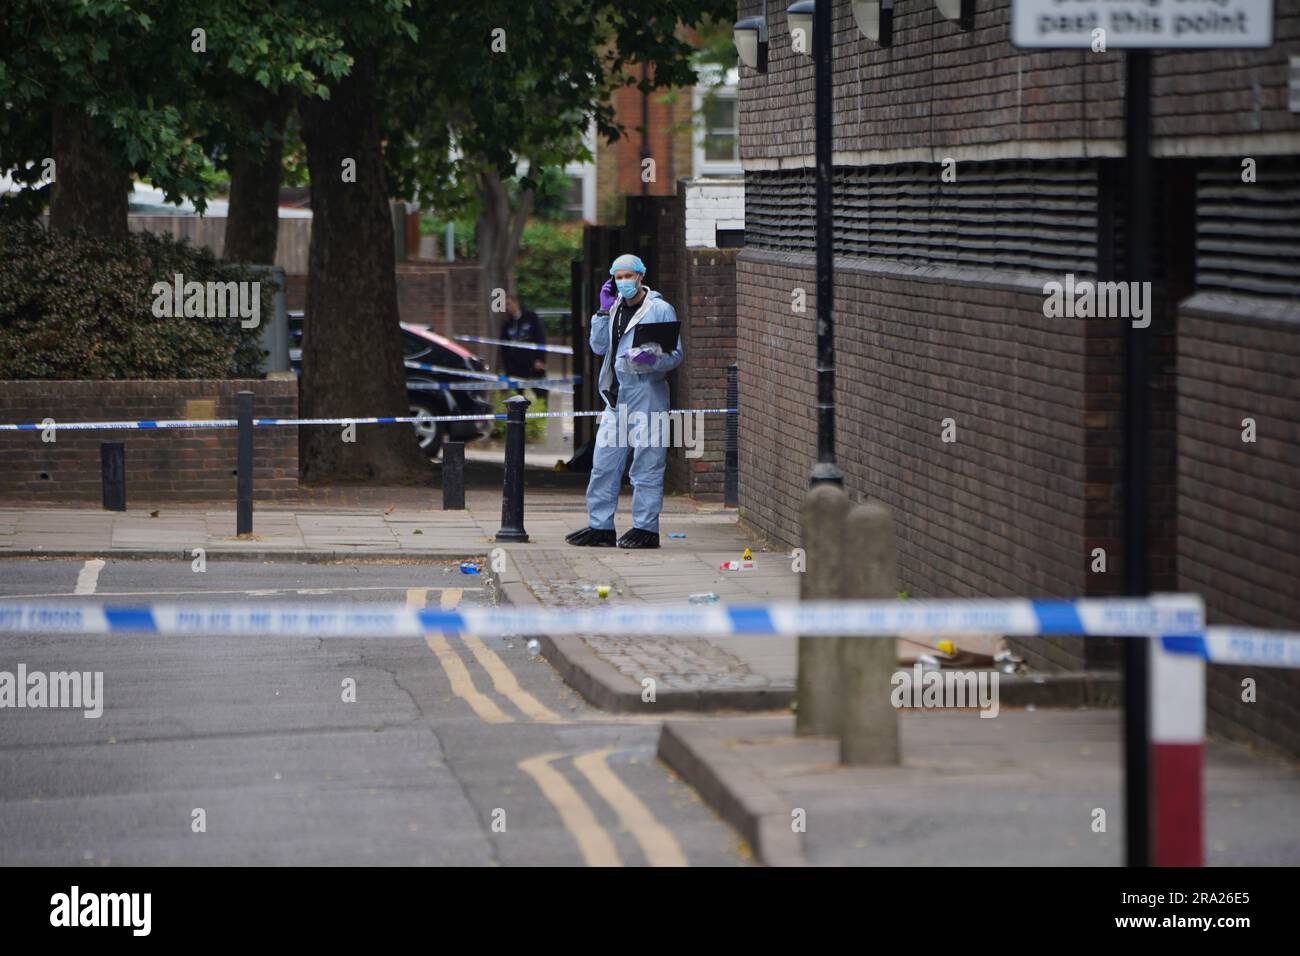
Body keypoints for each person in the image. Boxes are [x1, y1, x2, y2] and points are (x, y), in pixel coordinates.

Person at [565, 253, 683, 549]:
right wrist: (602, 314)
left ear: (641, 276)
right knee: (604, 463)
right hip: (616, 397)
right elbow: (599, 347)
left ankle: (645, 528)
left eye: (628, 276)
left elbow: (675, 355)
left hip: (647, 394)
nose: (623, 282)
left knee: (647, 464)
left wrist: (650, 359)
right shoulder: (614, 308)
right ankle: (600, 526)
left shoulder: (659, 309)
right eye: (618, 277)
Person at [500, 293, 548, 401]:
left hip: (532, 363)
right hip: (516, 366)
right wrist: (507, 367)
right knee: (517, 397)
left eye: (509, 304)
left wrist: (540, 359)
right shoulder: (507, 324)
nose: (507, 308)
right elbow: (504, 347)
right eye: (505, 306)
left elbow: (540, 337)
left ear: (516, 303)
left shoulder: (531, 317)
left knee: (541, 393)